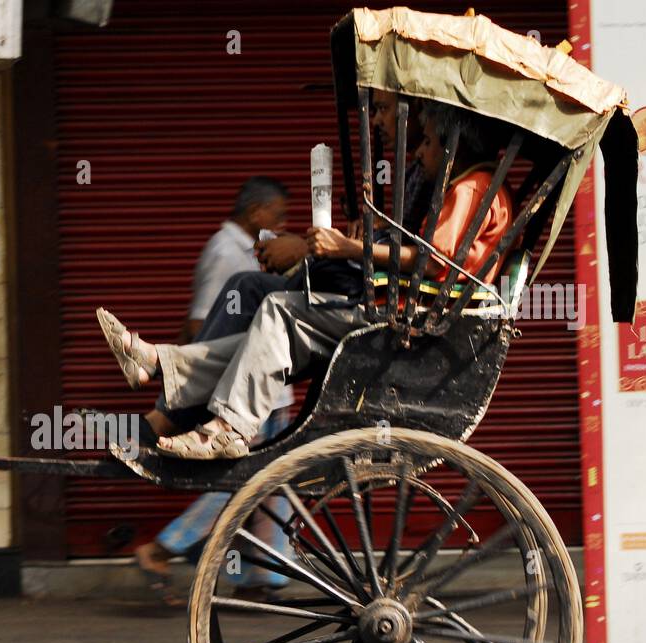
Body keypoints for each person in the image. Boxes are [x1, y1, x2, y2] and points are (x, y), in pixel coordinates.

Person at [98, 102, 514, 459]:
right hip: (410, 306)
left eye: (427, 143)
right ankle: (158, 362)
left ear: (451, 146)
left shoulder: (470, 188)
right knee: (264, 334)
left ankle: (229, 427)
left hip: (412, 316)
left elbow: (434, 260)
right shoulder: (471, 185)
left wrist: (352, 250)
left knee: (278, 311)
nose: (420, 152)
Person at [131, 177, 293, 602]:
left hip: (270, 391)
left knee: (271, 485)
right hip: (249, 395)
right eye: (278, 215)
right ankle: (163, 548)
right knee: (237, 482)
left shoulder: (246, 250)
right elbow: (204, 324)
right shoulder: (225, 252)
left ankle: (263, 577)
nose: (281, 224)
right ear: (256, 212)